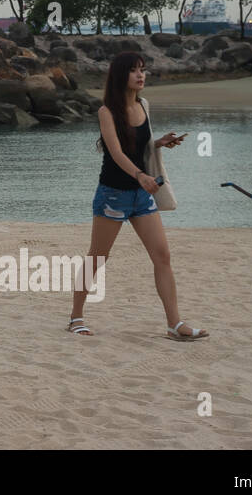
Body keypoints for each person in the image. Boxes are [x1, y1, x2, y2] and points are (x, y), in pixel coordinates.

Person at [67, 51, 208, 341]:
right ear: (121, 76)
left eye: (142, 69)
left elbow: (137, 146)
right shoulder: (107, 111)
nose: (140, 75)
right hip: (113, 194)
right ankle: (76, 317)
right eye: (133, 70)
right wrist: (141, 176)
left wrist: (159, 143)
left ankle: (174, 324)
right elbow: (116, 153)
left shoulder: (144, 105)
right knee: (97, 257)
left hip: (141, 196)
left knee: (162, 256)